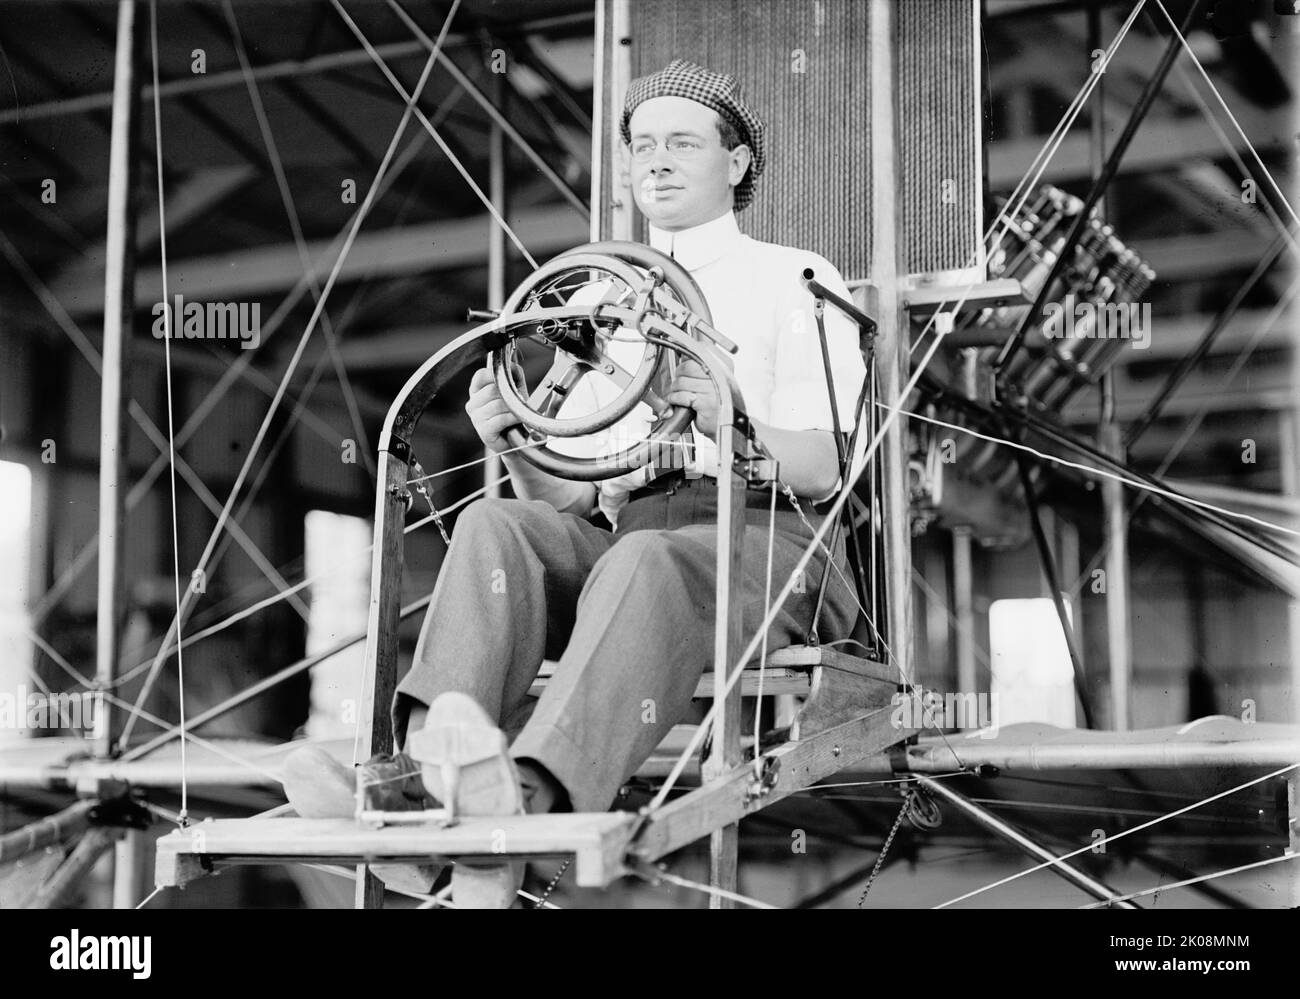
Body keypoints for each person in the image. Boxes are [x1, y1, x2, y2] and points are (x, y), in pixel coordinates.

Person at [282, 59, 868, 907]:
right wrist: (516, 442)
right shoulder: (604, 295)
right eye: (640, 147)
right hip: (634, 536)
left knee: (647, 561)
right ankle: (408, 783)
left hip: (772, 539)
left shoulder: (796, 279)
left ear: (736, 165)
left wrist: (728, 420)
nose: (655, 162)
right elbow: (570, 500)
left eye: (681, 143)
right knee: (495, 526)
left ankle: (524, 802)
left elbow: (823, 469)